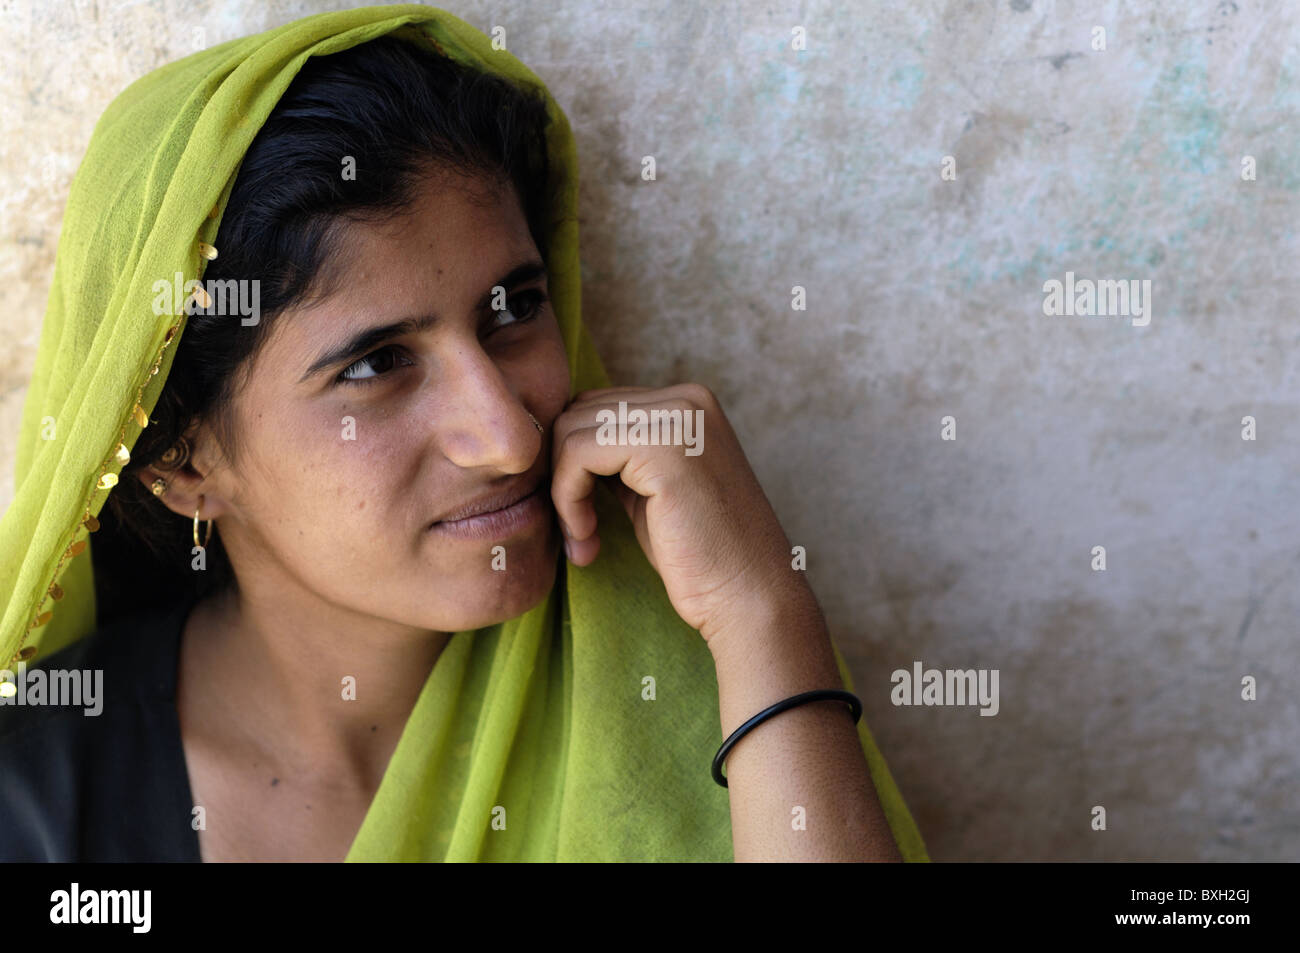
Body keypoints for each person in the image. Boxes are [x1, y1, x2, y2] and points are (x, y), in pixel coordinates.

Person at [0, 5, 928, 862]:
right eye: (375, 364)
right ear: (181, 461)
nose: (509, 436)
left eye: (515, 308)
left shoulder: (679, 670)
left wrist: (762, 614)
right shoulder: (42, 802)